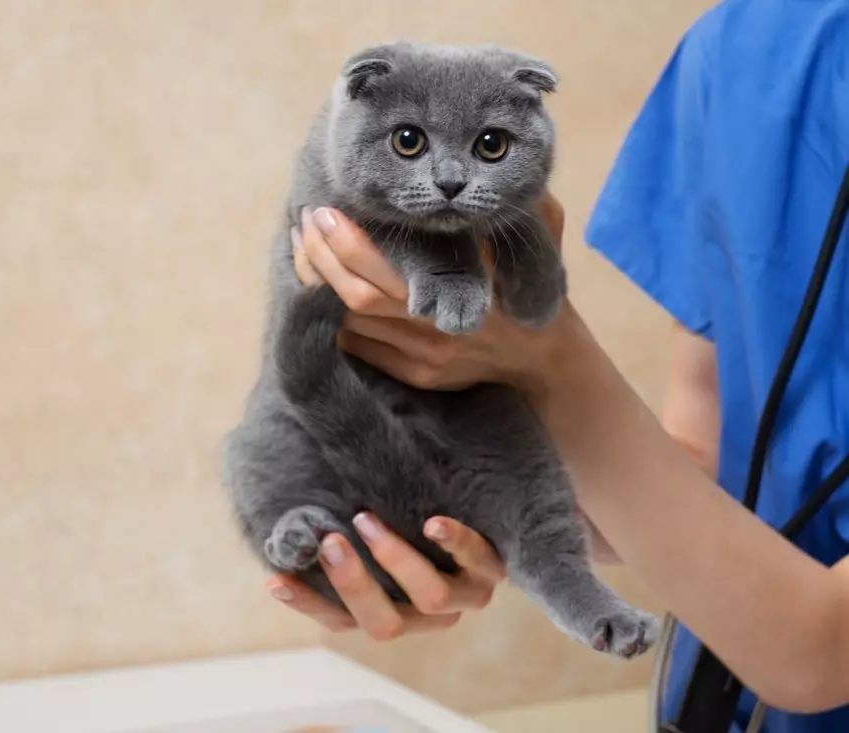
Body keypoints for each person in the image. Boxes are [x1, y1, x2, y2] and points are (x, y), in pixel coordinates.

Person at [264, 0, 849, 729]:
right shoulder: (742, 47)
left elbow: (823, 652)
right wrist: (455, 508)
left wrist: (552, 365)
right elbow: (708, 471)